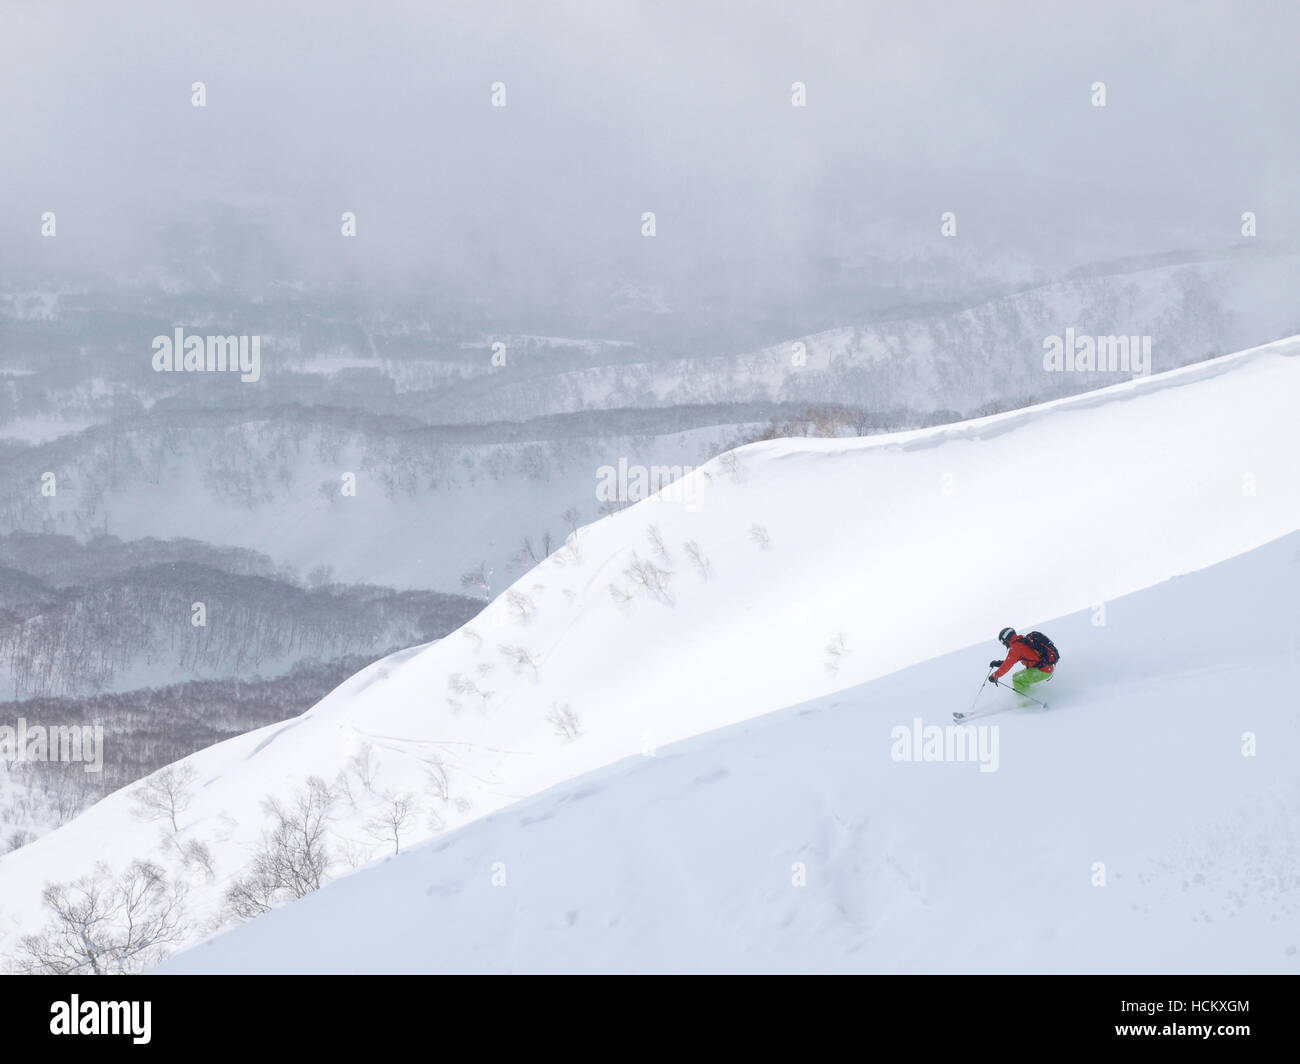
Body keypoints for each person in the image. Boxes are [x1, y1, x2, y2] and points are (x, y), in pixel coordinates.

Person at [988, 627, 1055, 698]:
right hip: (1045, 667)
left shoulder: (1015, 647)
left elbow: (1007, 665)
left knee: (1017, 680)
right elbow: (1011, 660)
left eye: (1003, 642)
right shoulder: (1021, 640)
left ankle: (1024, 703)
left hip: (1042, 670)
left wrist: (994, 675)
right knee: (1016, 676)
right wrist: (999, 663)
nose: (1004, 645)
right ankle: (1032, 694)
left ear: (1006, 639)